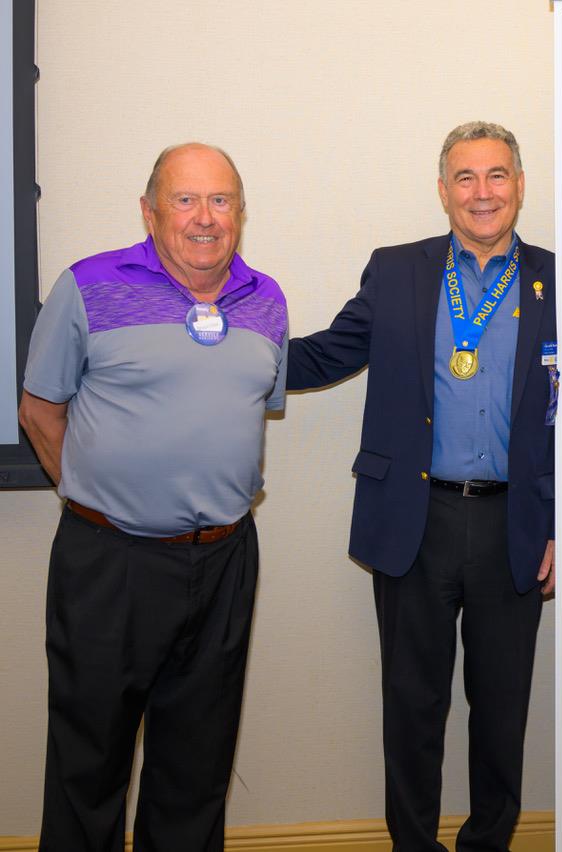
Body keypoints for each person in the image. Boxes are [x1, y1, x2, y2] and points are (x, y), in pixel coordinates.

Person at [288, 121, 555, 852]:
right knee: (412, 706)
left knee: (502, 711)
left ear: (521, 185)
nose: (482, 193)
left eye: (497, 175)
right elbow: (326, 354)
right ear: (442, 191)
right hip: (416, 516)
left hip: (516, 525)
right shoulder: (398, 269)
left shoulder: (560, 281)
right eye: (465, 178)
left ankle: (488, 842)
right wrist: (227, 356)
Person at [19, 143, 288, 850]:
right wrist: (101, 500)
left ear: (241, 213)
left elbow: (247, 408)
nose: (206, 218)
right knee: (90, 763)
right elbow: (40, 412)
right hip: (110, 563)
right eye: (186, 199)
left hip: (225, 559)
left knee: (197, 767)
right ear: (149, 211)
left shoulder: (266, 300)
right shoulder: (87, 286)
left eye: (222, 200)